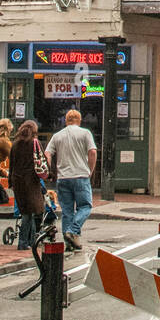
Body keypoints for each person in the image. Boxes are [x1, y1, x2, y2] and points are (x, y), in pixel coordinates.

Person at [47, 107, 97, 252]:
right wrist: (90, 170)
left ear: (66, 121)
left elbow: (47, 153)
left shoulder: (58, 135)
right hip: (81, 175)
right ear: (79, 121)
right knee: (85, 206)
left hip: (63, 177)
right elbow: (92, 152)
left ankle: (69, 242)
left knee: (67, 211)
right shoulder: (85, 133)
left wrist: (49, 170)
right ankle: (73, 231)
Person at [9, 120, 45, 250]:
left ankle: (32, 240)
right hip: (31, 181)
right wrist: (47, 175)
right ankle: (24, 242)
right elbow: (41, 161)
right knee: (29, 212)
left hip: (17, 181)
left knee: (27, 210)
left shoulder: (15, 144)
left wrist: (10, 182)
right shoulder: (35, 143)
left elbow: (11, 164)